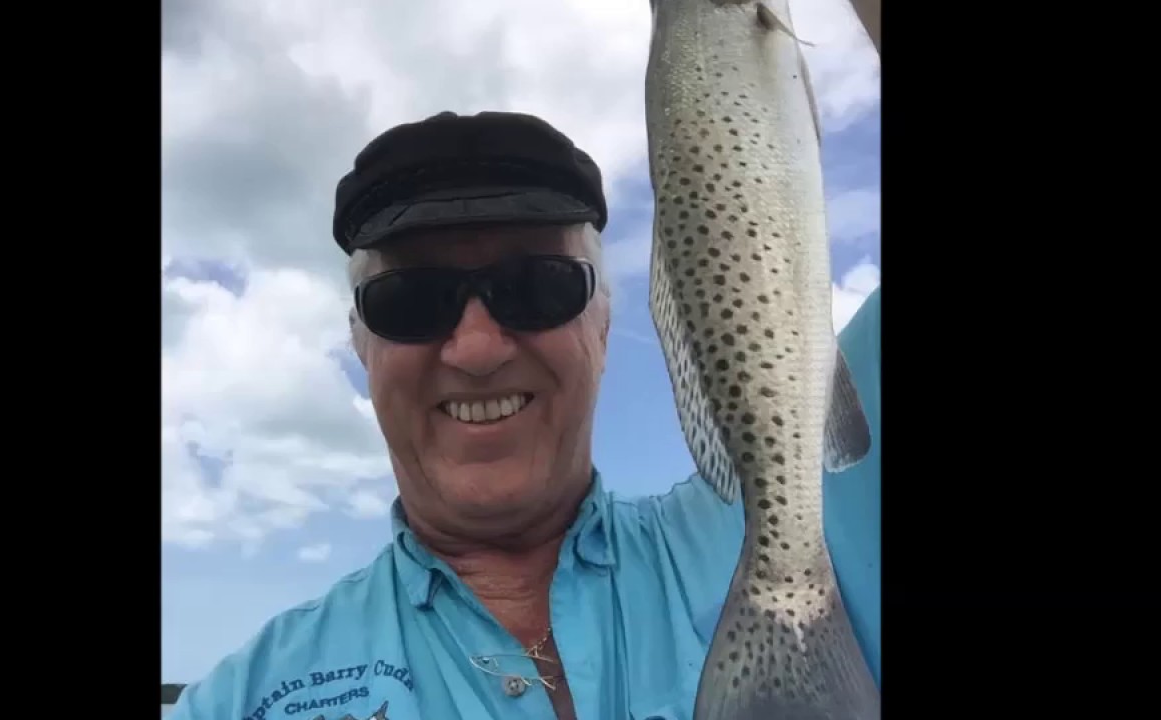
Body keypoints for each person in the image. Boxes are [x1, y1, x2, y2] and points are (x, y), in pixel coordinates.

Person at [169, 110, 881, 720]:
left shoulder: (794, 514)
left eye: (537, 286)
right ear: (360, 343)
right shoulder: (242, 699)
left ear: (604, 327)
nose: (477, 349)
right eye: (410, 299)